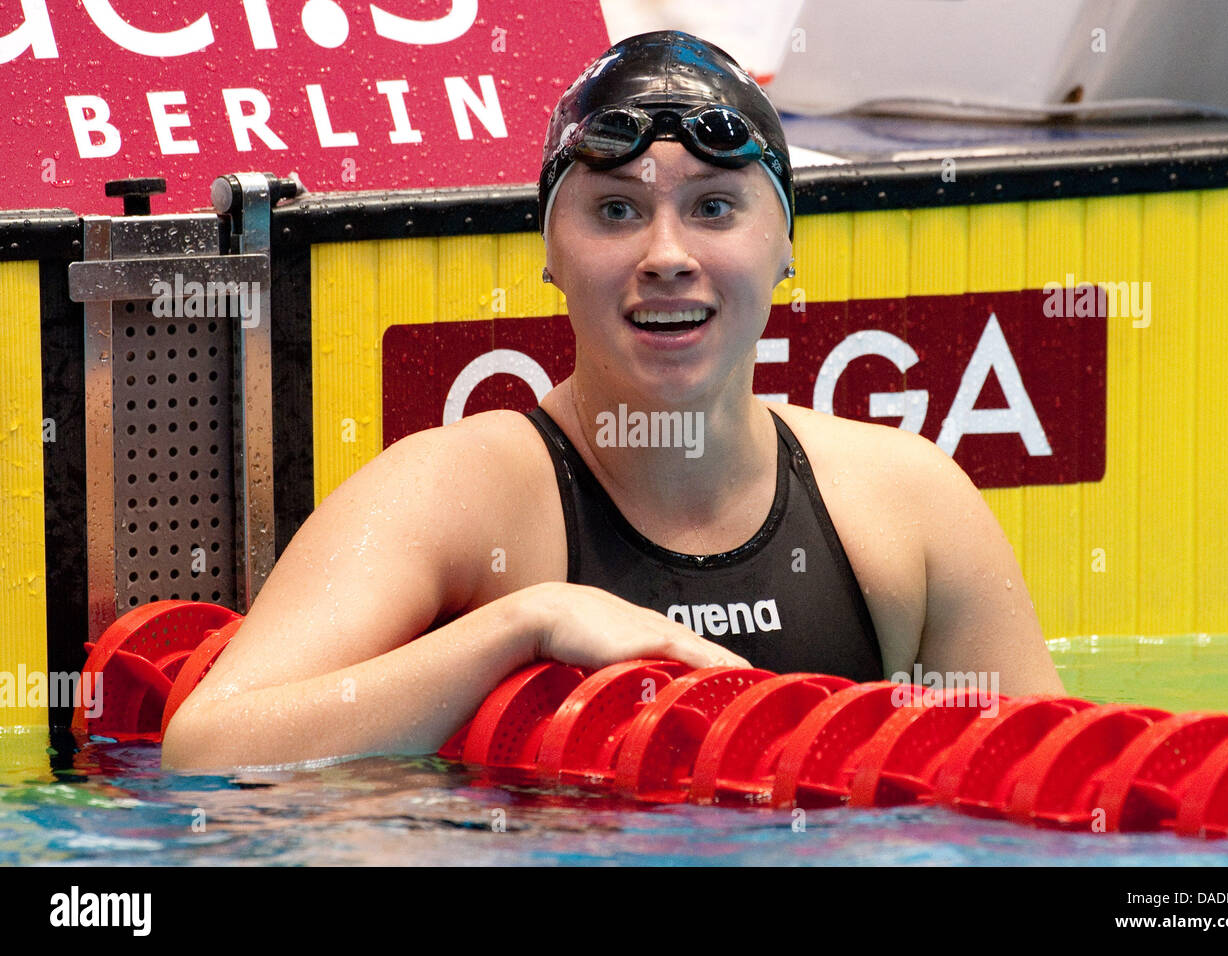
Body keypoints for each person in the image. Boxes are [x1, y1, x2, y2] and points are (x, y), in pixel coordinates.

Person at [162, 31, 1063, 771]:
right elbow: (208, 749)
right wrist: (526, 625)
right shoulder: (455, 494)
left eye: (714, 208)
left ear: (786, 242)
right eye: (616, 212)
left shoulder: (911, 506)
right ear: (549, 250)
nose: (666, 253)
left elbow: (1058, 803)